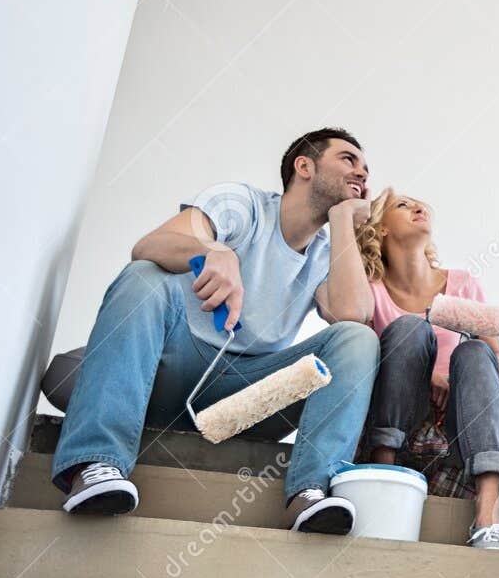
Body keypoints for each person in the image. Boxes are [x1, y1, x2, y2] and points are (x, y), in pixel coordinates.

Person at [51, 127, 380, 535]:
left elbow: (353, 314)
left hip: (246, 402)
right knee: (144, 277)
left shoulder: (328, 253)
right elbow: (150, 245)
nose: (362, 174)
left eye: (367, 170)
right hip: (168, 372)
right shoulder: (241, 204)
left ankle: (309, 492)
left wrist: (343, 218)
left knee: (357, 340)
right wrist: (215, 251)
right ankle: (97, 464)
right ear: (304, 166)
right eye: (349, 159)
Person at [355, 190, 499, 550]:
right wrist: (427, 375)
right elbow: (363, 362)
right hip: (399, 411)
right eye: (402, 205)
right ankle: (384, 472)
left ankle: (487, 516)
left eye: (420, 204)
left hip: (457, 421)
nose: (418, 207)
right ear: (380, 230)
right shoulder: (371, 291)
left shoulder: (462, 283)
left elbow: (498, 363)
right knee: (409, 329)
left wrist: (455, 380)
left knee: (475, 351)